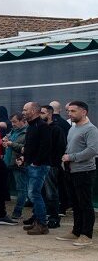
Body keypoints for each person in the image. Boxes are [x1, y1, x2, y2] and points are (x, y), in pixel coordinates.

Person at [58, 101, 98, 246]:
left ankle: (86, 235)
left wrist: (71, 157)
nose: (69, 114)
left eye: (73, 111)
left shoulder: (91, 129)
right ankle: (76, 231)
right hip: (71, 171)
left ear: (84, 112)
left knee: (85, 204)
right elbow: (70, 147)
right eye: (69, 111)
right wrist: (65, 159)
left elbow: (93, 150)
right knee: (75, 203)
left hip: (84, 171)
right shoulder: (73, 128)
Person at [22, 102, 53, 235]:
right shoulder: (31, 126)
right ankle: (36, 220)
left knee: (35, 194)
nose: (23, 112)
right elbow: (30, 145)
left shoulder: (42, 126)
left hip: (38, 166)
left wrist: (36, 162)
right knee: (33, 194)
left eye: (25, 109)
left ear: (34, 110)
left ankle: (42, 224)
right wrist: (24, 157)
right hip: (31, 164)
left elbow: (46, 146)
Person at [40, 105, 68, 228]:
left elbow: (61, 147)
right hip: (40, 165)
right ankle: (41, 215)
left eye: (43, 113)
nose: (40, 115)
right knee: (40, 192)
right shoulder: (41, 128)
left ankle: (54, 217)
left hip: (51, 165)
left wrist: (54, 163)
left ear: (49, 114)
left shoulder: (56, 129)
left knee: (51, 193)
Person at [2, 113, 28, 220]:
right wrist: (5, 140)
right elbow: (8, 138)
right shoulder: (14, 130)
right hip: (7, 163)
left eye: (15, 122)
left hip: (18, 165)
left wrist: (11, 144)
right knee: (2, 187)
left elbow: (26, 148)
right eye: (11, 122)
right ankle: (0, 209)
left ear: (23, 121)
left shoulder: (27, 132)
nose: (12, 124)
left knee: (21, 189)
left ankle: (17, 212)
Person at [50, 100, 72, 213]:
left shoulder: (50, 124)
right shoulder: (66, 124)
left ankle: (57, 208)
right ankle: (64, 205)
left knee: (52, 184)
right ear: (61, 110)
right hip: (65, 157)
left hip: (52, 159)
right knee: (63, 183)